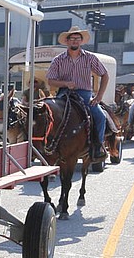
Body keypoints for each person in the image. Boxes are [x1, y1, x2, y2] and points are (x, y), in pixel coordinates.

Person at [44, 26, 109, 160]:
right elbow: (50, 80)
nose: (75, 41)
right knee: (50, 113)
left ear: (81, 41)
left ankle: (98, 146)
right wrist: (65, 84)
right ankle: (47, 144)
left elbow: (105, 75)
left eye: (77, 38)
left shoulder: (90, 58)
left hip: (84, 93)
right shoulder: (58, 60)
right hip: (64, 93)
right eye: (72, 38)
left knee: (100, 116)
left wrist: (99, 96)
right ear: (67, 41)